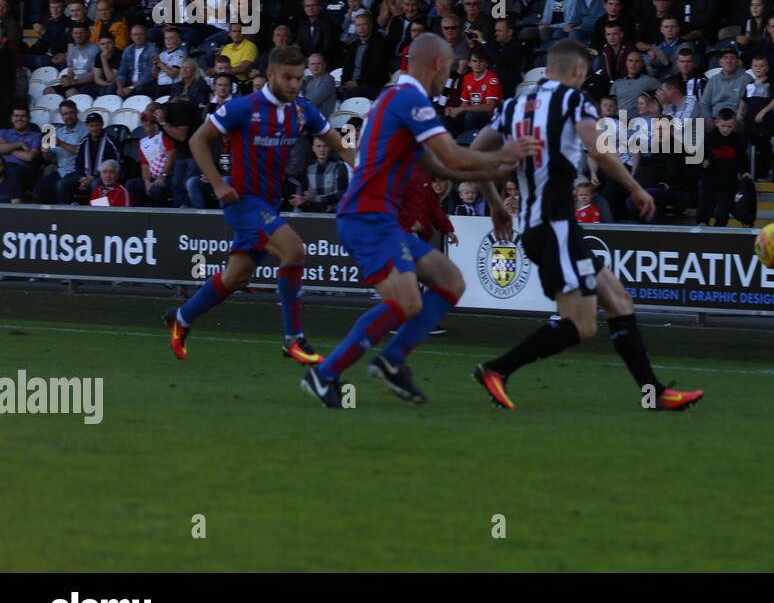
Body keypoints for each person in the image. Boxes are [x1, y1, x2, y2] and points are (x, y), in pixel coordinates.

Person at [301, 33, 539, 408]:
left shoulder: (396, 100)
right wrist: (504, 153)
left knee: (450, 281)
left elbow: (439, 164)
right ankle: (326, 373)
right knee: (406, 301)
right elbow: (454, 159)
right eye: (450, 66)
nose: (451, 75)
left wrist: (493, 196)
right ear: (439, 65)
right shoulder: (410, 100)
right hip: (367, 216)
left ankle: (392, 359)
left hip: (380, 219)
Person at [467, 39, 703, 412]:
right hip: (555, 226)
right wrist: (636, 188)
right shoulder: (573, 100)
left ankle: (653, 393)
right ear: (578, 70)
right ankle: (497, 369)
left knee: (618, 300)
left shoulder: (513, 106)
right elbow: (599, 150)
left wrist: (495, 203)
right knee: (582, 325)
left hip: (547, 226)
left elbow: (475, 153)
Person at [163, 46, 355, 364]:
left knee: (237, 277)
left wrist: (365, 167)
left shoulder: (303, 111)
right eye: (288, 77)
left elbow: (341, 145)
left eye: (299, 78)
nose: (294, 84)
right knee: (294, 249)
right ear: (270, 75)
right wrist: (218, 182)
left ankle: (181, 317)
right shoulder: (242, 107)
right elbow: (197, 140)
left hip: (269, 203)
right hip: (242, 200)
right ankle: (293, 339)